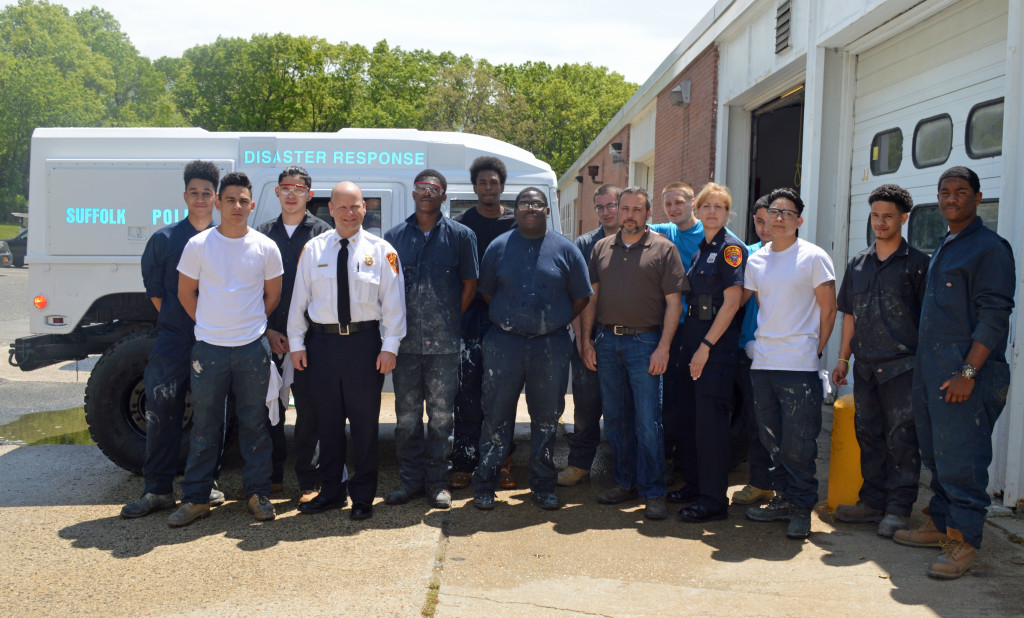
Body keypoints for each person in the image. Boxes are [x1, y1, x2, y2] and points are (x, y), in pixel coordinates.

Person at [894, 166, 1014, 580]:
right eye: (945, 192)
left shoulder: (989, 248)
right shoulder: (947, 243)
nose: (951, 198)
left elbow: (994, 316)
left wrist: (968, 371)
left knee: (962, 459)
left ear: (977, 198)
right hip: (933, 372)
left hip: (965, 376)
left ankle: (963, 542)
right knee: (936, 454)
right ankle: (941, 526)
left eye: (960, 192)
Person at [168, 172, 284, 527]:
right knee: (205, 425)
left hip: (252, 349)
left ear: (252, 205)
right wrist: (210, 324)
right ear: (218, 202)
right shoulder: (199, 245)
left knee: (255, 424)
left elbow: (272, 296)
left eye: (243, 200)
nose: (237, 206)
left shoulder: (266, 247)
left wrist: (249, 325)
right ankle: (196, 498)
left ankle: (257, 493)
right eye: (230, 199)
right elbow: (185, 293)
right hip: (209, 350)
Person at [290, 181, 406, 521]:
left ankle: (363, 495)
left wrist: (390, 347)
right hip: (322, 345)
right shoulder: (314, 250)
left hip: (364, 345)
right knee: (327, 423)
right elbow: (299, 301)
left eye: (355, 205)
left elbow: (394, 305)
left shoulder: (382, 251)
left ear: (364, 208)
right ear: (330, 210)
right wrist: (297, 344)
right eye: (341, 206)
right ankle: (331, 490)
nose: (349, 212)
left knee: (365, 424)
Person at [472, 187, 592, 510]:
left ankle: (542, 485)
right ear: (515, 209)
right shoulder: (498, 247)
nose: (531, 208)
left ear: (547, 211)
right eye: (524, 203)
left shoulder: (566, 250)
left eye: (537, 203)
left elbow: (581, 297)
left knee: (546, 419)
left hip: (550, 346)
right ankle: (486, 483)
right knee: (496, 415)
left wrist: (553, 321)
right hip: (504, 344)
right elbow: (487, 293)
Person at [121, 160, 226, 519]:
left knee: (210, 416)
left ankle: (205, 486)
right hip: (173, 340)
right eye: (194, 192)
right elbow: (156, 293)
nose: (200, 198)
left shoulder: (226, 240)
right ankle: (157, 490)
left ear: (215, 198)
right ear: (185, 196)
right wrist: (180, 319)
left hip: (214, 341)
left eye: (207, 193)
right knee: (163, 411)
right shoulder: (163, 240)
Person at [582, 186, 688, 520]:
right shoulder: (601, 248)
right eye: (625, 208)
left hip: (646, 344)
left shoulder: (664, 249)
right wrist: (586, 341)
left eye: (637, 209)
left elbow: (674, 304)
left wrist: (663, 348)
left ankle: (653, 491)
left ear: (647, 213)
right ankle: (625, 482)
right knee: (615, 419)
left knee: (647, 422)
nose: (629, 215)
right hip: (607, 342)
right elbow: (591, 299)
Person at [831, 184, 928, 538]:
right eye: (875, 215)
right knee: (868, 434)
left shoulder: (918, 264)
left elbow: (928, 320)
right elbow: (850, 315)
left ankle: (899, 509)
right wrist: (843, 358)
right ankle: (872, 501)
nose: (880, 222)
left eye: (888, 216)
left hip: (903, 368)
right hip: (866, 367)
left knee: (901, 438)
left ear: (904, 218)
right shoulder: (858, 263)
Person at [743, 187, 836, 539]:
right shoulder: (756, 261)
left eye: (787, 213)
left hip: (799, 366)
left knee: (800, 443)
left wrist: (815, 350)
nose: (779, 218)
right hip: (763, 364)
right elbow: (756, 305)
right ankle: (782, 500)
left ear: (799, 220)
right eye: (773, 212)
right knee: (772, 439)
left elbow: (829, 309)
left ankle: (801, 508)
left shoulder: (813, 257)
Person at [384, 169, 478, 510]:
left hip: (444, 346)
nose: (427, 193)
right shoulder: (393, 238)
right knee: (406, 418)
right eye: (421, 188)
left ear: (444, 196)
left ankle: (438, 483)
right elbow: (386, 287)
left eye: (433, 189)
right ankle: (410, 481)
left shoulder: (462, 236)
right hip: (405, 345)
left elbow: (470, 284)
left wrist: (450, 320)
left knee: (441, 418)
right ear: (413, 194)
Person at [255, 166, 332, 503]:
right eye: (285, 187)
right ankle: (270, 479)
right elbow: (251, 289)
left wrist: (301, 335)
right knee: (267, 409)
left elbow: (327, 292)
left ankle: (308, 481)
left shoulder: (323, 235)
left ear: (309, 195)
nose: (291, 194)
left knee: (310, 412)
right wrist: (268, 330)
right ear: (276, 192)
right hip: (267, 335)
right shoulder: (260, 235)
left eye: (298, 189)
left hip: (310, 339)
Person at [672, 183, 747, 523]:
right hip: (694, 344)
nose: (713, 212)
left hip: (713, 351)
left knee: (712, 427)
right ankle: (695, 485)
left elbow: (732, 302)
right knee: (693, 420)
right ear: (698, 210)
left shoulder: (731, 249)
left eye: (720, 207)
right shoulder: (701, 250)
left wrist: (705, 347)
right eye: (707, 206)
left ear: (728, 213)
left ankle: (714, 501)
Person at [450, 156, 518, 490]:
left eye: (493, 182)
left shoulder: (517, 223)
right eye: (482, 183)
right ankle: (464, 461)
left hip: (504, 319)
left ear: (502, 186)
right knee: (466, 391)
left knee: (502, 392)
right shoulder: (460, 224)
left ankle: (501, 461)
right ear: (474, 187)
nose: (488, 187)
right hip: (469, 316)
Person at [558, 183, 622, 487]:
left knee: (623, 408)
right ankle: (580, 464)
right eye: (600, 207)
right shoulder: (584, 244)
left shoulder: (641, 241)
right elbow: (575, 296)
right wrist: (584, 342)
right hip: (590, 337)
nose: (606, 212)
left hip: (628, 338)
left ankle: (624, 467)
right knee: (585, 406)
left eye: (612, 205)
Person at [649, 182, 704, 485]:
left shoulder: (711, 234)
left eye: (679, 202)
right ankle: (668, 460)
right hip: (671, 328)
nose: (673, 208)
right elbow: (633, 226)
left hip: (701, 330)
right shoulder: (664, 231)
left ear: (692, 202)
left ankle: (690, 462)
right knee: (669, 398)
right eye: (668, 204)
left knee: (694, 399)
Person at [730, 195, 775, 506]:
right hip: (746, 351)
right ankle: (759, 481)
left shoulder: (804, 257)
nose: (765, 227)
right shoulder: (745, 254)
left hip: (784, 355)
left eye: (770, 220)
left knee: (779, 423)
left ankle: (779, 484)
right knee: (752, 419)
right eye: (759, 221)